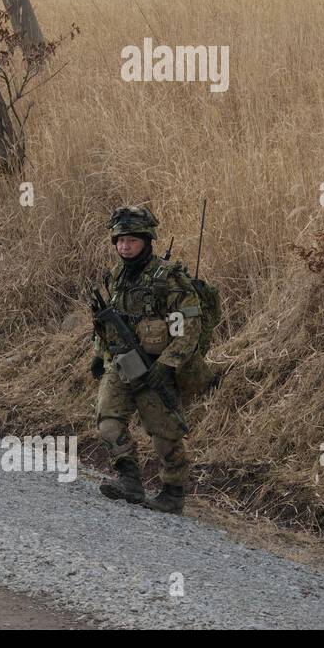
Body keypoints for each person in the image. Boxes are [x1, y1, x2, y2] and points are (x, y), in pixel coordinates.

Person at [90, 205, 203, 514]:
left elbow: (189, 328)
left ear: (147, 240)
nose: (124, 247)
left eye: (131, 240)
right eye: (119, 240)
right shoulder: (115, 276)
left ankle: (173, 492)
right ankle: (129, 479)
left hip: (155, 367)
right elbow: (107, 323)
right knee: (108, 422)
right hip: (122, 364)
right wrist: (99, 354)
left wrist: (167, 364)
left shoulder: (169, 278)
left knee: (165, 434)